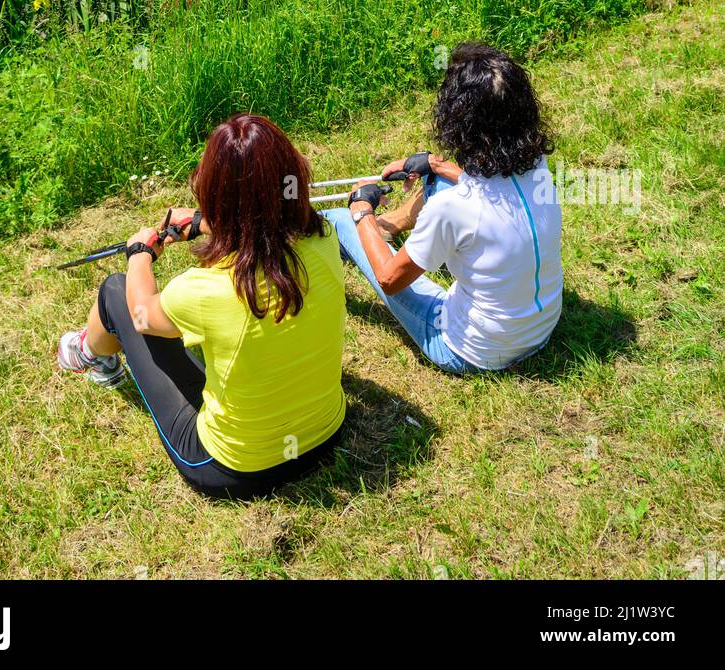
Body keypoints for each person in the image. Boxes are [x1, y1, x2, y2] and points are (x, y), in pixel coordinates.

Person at [58, 113, 346, 498]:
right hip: (327, 435)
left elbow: (142, 314)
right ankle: (90, 352)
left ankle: (89, 355)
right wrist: (211, 223)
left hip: (236, 469)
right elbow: (265, 221)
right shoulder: (325, 236)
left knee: (116, 291)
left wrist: (140, 253)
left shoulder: (206, 289)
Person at [322, 43, 562, 374]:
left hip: (469, 351)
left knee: (337, 219)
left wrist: (361, 209)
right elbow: (486, 190)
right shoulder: (537, 164)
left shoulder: (453, 208)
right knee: (442, 183)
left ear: (457, 122)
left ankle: (303, 242)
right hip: (542, 330)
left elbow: (390, 280)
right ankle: (385, 229)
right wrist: (435, 165)